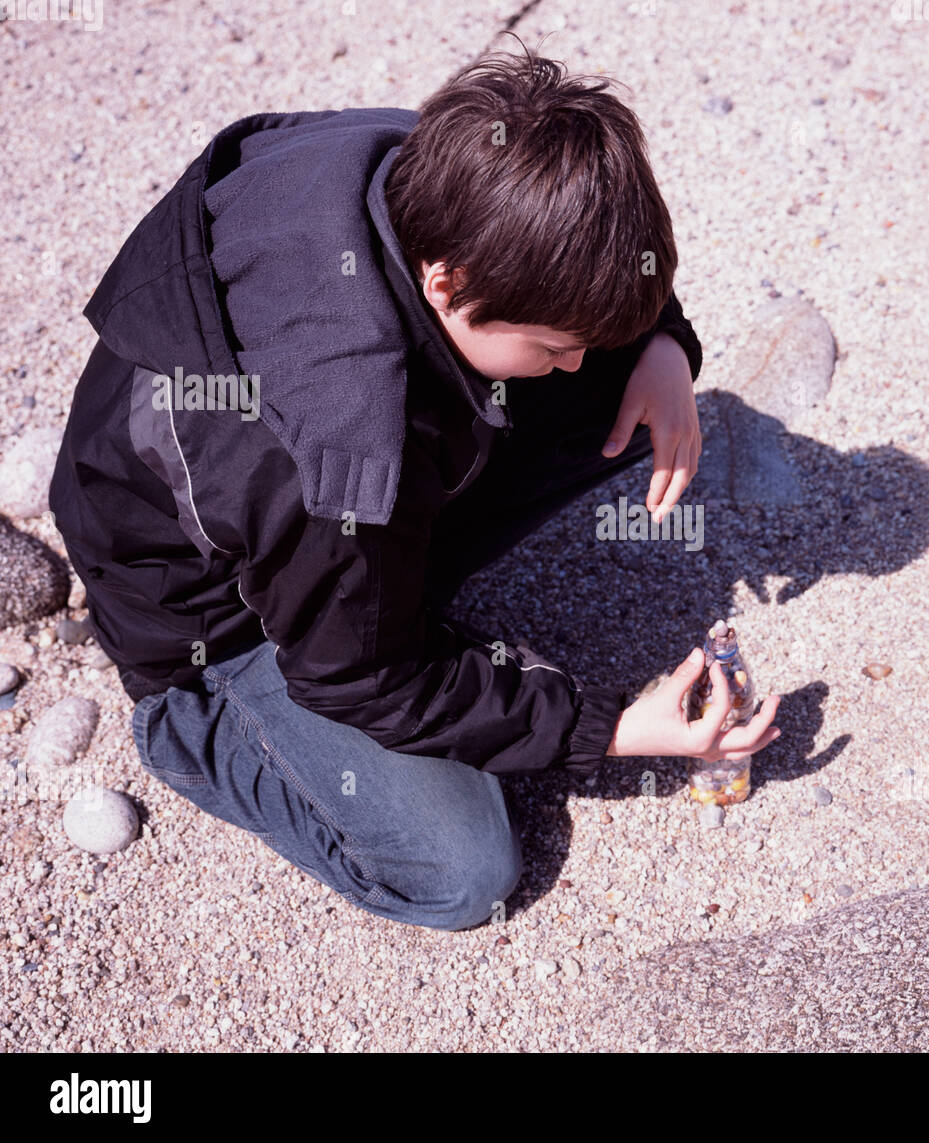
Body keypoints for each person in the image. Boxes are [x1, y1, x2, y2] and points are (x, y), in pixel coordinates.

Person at [48, 41, 780, 931]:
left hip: (307, 507)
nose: (577, 360)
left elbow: (593, 264)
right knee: (465, 870)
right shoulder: (334, 453)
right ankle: (205, 729)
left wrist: (662, 344)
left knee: (616, 397)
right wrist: (614, 730)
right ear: (448, 282)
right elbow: (362, 676)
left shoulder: (427, 166)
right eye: (556, 345)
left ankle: (400, 581)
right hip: (211, 616)